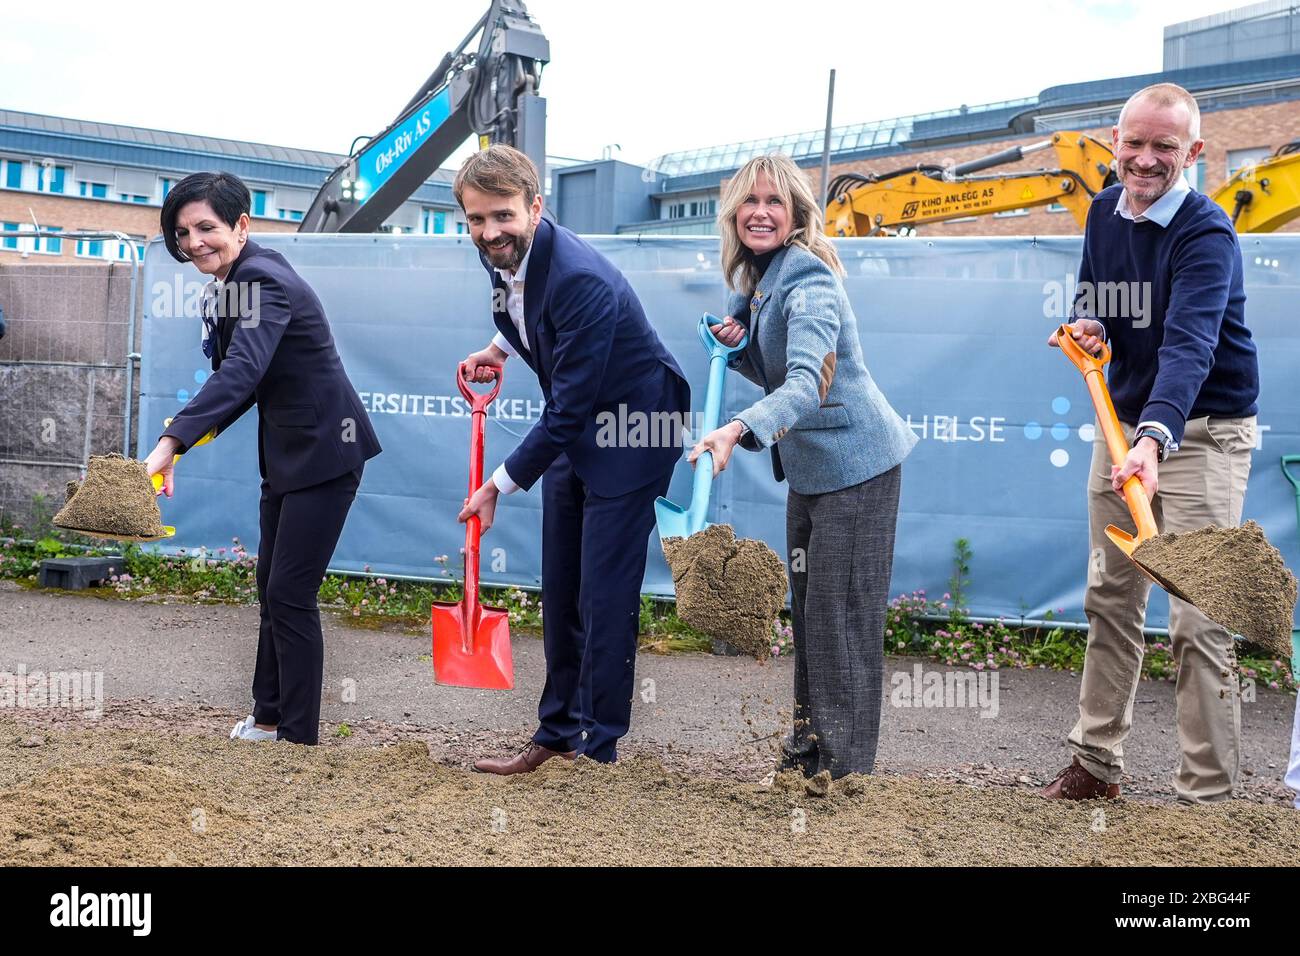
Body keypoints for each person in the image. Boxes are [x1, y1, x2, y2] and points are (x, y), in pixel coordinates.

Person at [1044, 83, 1260, 803]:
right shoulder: (1105, 209)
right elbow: (1093, 293)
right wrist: (1091, 325)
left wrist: (1157, 440)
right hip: (1127, 429)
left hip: (1200, 434)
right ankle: (1095, 765)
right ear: (1114, 142)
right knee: (1110, 598)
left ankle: (1207, 800)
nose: (1144, 159)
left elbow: (1189, 347)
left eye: (1163, 147)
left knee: (1200, 616)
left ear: (1192, 152)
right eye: (1133, 143)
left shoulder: (1207, 232)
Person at [455, 145, 690, 773]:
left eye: (502, 215)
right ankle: (555, 731)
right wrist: (499, 348)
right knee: (561, 585)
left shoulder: (580, 276)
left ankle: (598, 746)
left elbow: (567, 410)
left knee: (602, 593)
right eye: (476, 220)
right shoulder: (507, 256)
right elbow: (526, 309)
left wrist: (498, 485)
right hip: (581, 424)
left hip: (636, 427)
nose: (489, 232)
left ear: (536, 207)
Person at [690, 154, 917, 779]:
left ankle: (842, 775)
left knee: (841, 622)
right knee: (814, 616)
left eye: (774, 203)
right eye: (749, 202)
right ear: (734, 214)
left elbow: (808, 383)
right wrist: (738, 347)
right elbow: (771, 357)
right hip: (816, 472)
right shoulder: (759, 280)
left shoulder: (809, 280)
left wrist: (739, 427)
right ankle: (807, 754)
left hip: (858, 468)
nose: (760, 212)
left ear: (795, 217)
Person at [143, 172, 381, 746]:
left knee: (289, 593)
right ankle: (269, 717)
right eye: (183, 232)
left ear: (241, 225)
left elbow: (240, 373)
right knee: (271, 587)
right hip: (290, 456)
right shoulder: (238, 279)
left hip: (325, 454)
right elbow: (247, 382)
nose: (194, 241)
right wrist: (182, 443)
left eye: (207, 227)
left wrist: (170, 443)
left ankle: (296, 738)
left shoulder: (263, 281)